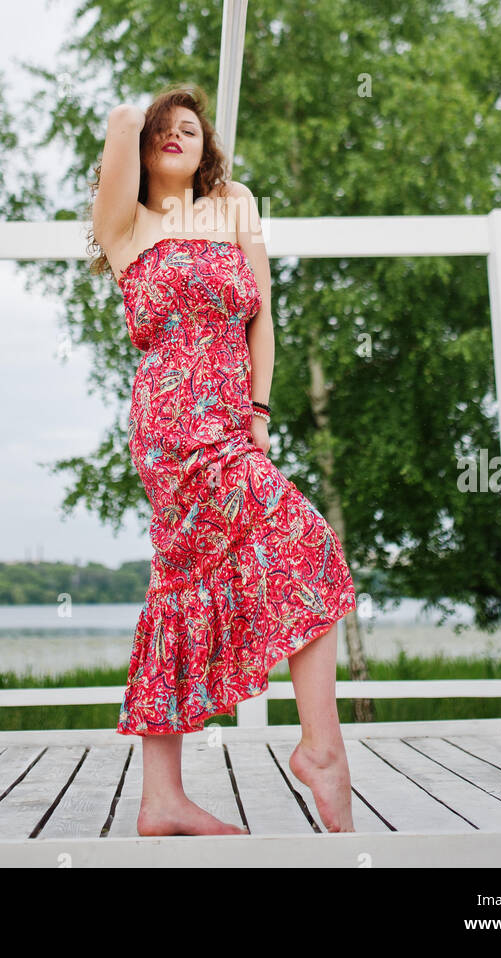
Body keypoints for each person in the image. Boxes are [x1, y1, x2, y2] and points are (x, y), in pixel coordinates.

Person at [88, 84, 358, 835]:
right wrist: (142, 115)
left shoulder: (235, 203)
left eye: (190, 129)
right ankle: (322, 751)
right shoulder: (125, 223)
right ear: (141, 146)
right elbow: (116, 121)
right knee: (304, 541)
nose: (176, 136)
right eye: (162, 130)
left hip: (232, 426)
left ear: (210, 148)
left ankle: (161, 799)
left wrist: (261, 414)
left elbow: (261, 318)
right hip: (173, 427)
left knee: (183, 582)